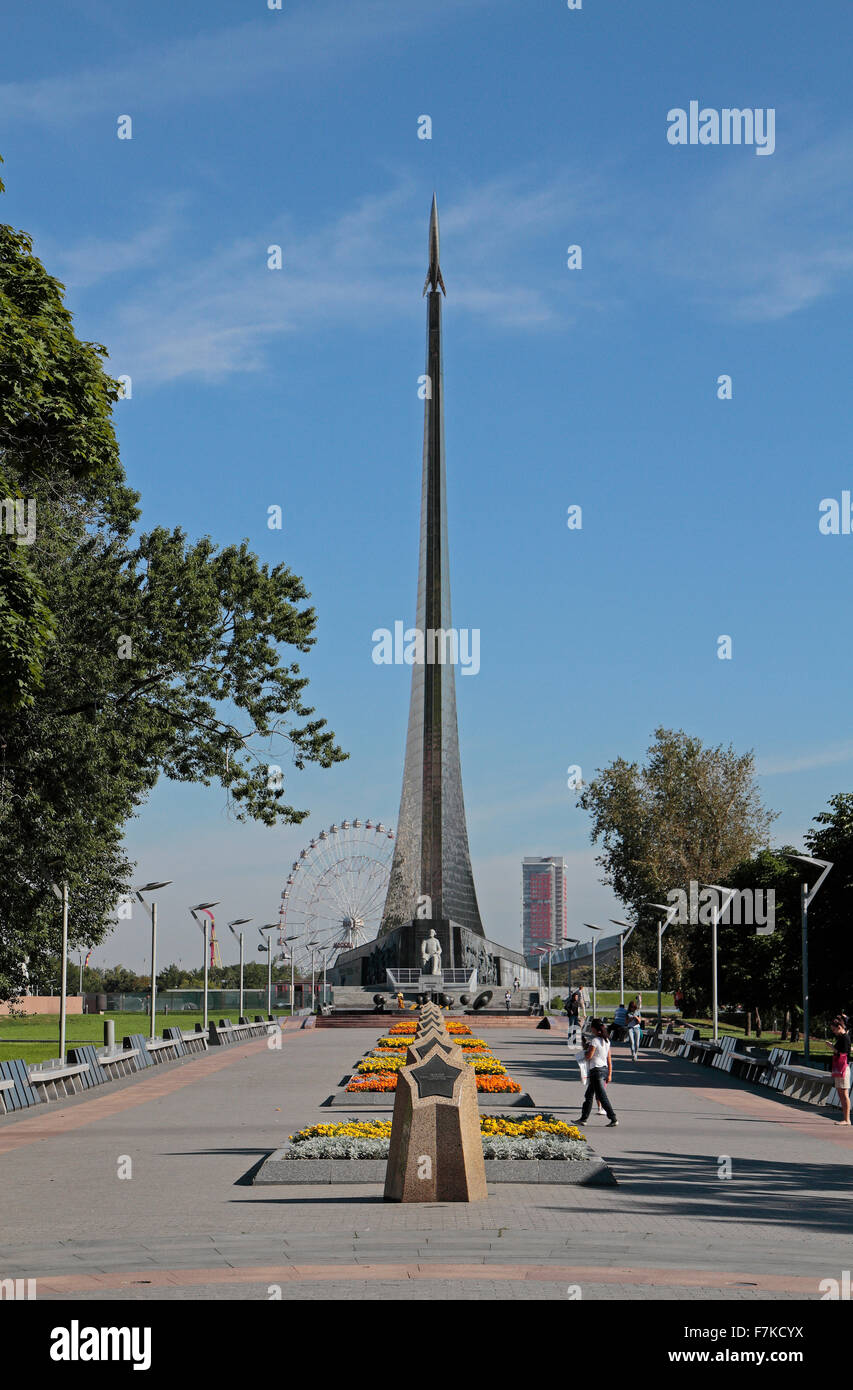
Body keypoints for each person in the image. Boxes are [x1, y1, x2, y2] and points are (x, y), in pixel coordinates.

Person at [579, 1019, 618, 1126]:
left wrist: (583, 1054)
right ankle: (583, 1119)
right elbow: (609, 1058)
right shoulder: (606, 1041)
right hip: (603, 1070)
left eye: (592, 1028)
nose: (591, 1029)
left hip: (596, 1071)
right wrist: (610, 1073)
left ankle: (613, 1118)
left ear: (594, 1028)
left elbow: (589, 1056)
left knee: (602, 1096)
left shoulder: (595, 1041)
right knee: (589, 1095)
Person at [830, 1016, 851, 1126]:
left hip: (843, 1068)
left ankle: (847, 1119)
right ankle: (845, 1118)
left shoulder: (845, 1038)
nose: (833, 1032)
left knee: (844, 1093)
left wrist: (831, 1047)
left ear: (839, 1027)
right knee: (840, 1093)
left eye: (834, 1029)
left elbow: (844, 1053)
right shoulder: (841, 1037)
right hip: (839, 1067)